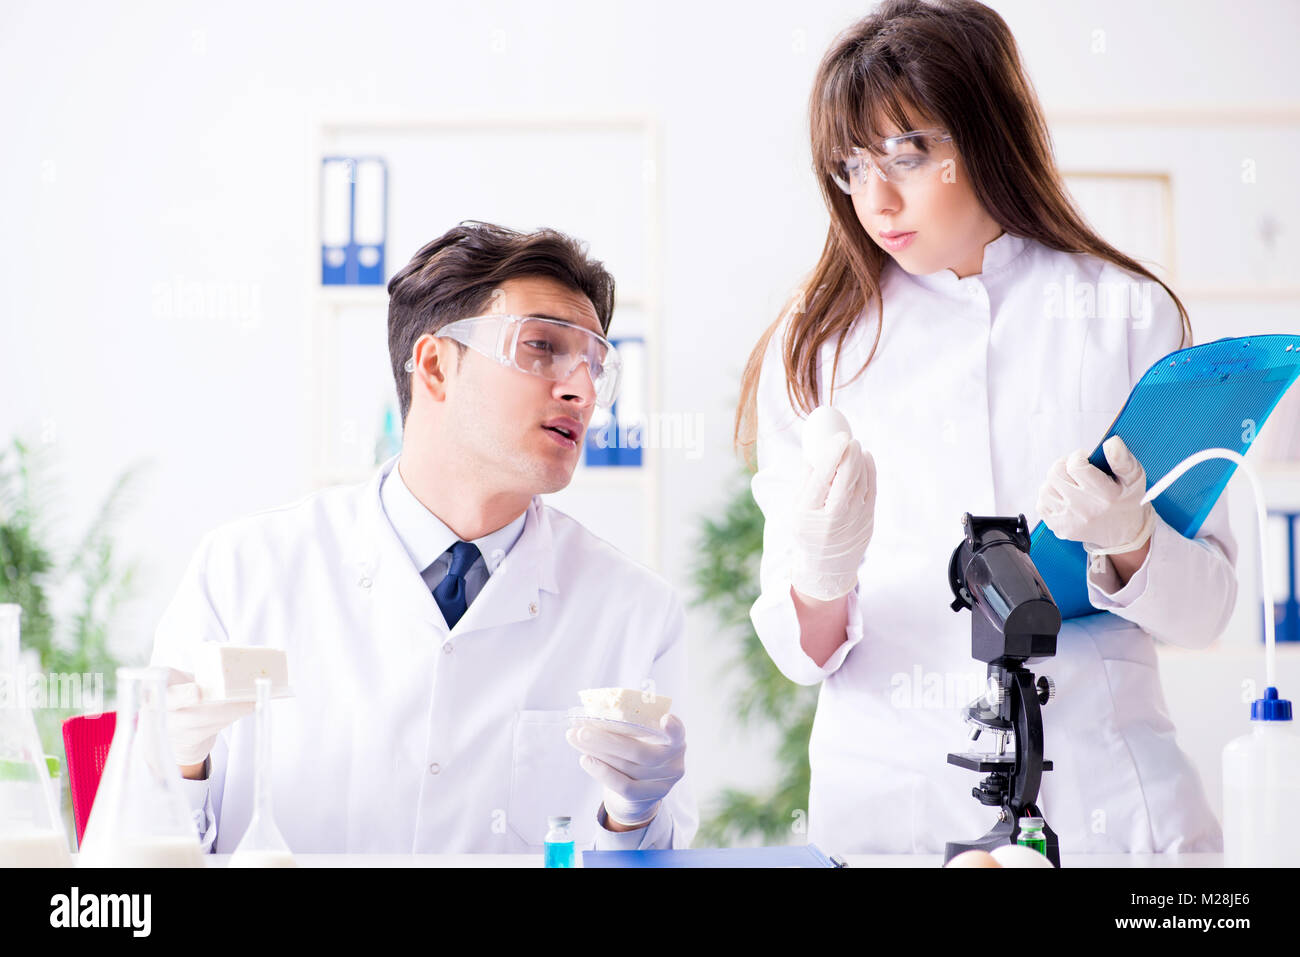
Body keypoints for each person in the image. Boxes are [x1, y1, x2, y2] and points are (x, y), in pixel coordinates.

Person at [737, 0, 1236, 855]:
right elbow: (799, 654)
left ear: (987, 132)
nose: (876, 199)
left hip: (1106, 803)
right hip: (894, 803)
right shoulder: (817, 345)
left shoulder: (1123, 313)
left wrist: (1132, 543)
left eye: (910, 152)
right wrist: (820, 573)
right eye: (851, 167)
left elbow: (1208, 613)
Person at [151, 222, 695, 853]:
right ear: (436, 367)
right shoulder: (243, 571)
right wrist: (182, 763)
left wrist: (632, 815)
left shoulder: (636, 611)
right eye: (542, 347)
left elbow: (661, 855)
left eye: (595, 364)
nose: (582, 389)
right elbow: (135, 861)